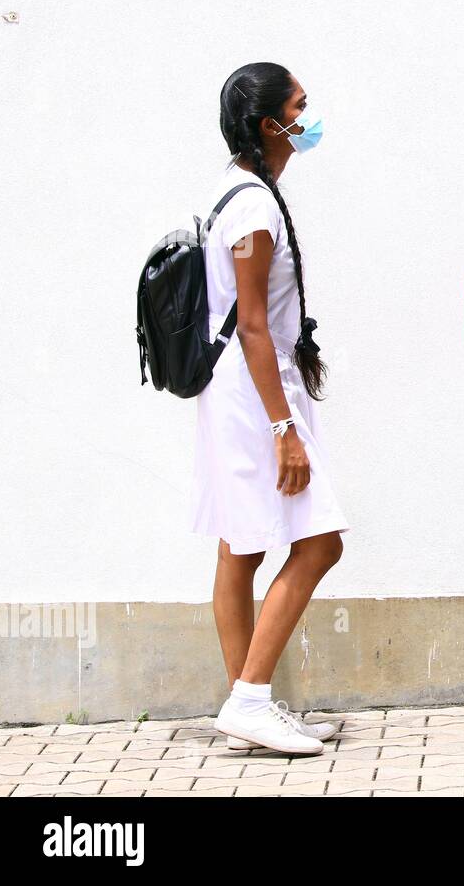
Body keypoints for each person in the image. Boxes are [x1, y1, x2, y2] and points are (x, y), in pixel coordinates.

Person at [195, 62, 348, 754]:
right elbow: (252, 322)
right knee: (320, 542)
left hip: (242, 390)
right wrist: (284, 427)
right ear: (269, 125)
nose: (309, 118)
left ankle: (245, 704)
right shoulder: (253, 204)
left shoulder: (237, 193)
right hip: (257, 396)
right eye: (300, 106)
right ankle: (251, 699)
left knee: (242, 546)